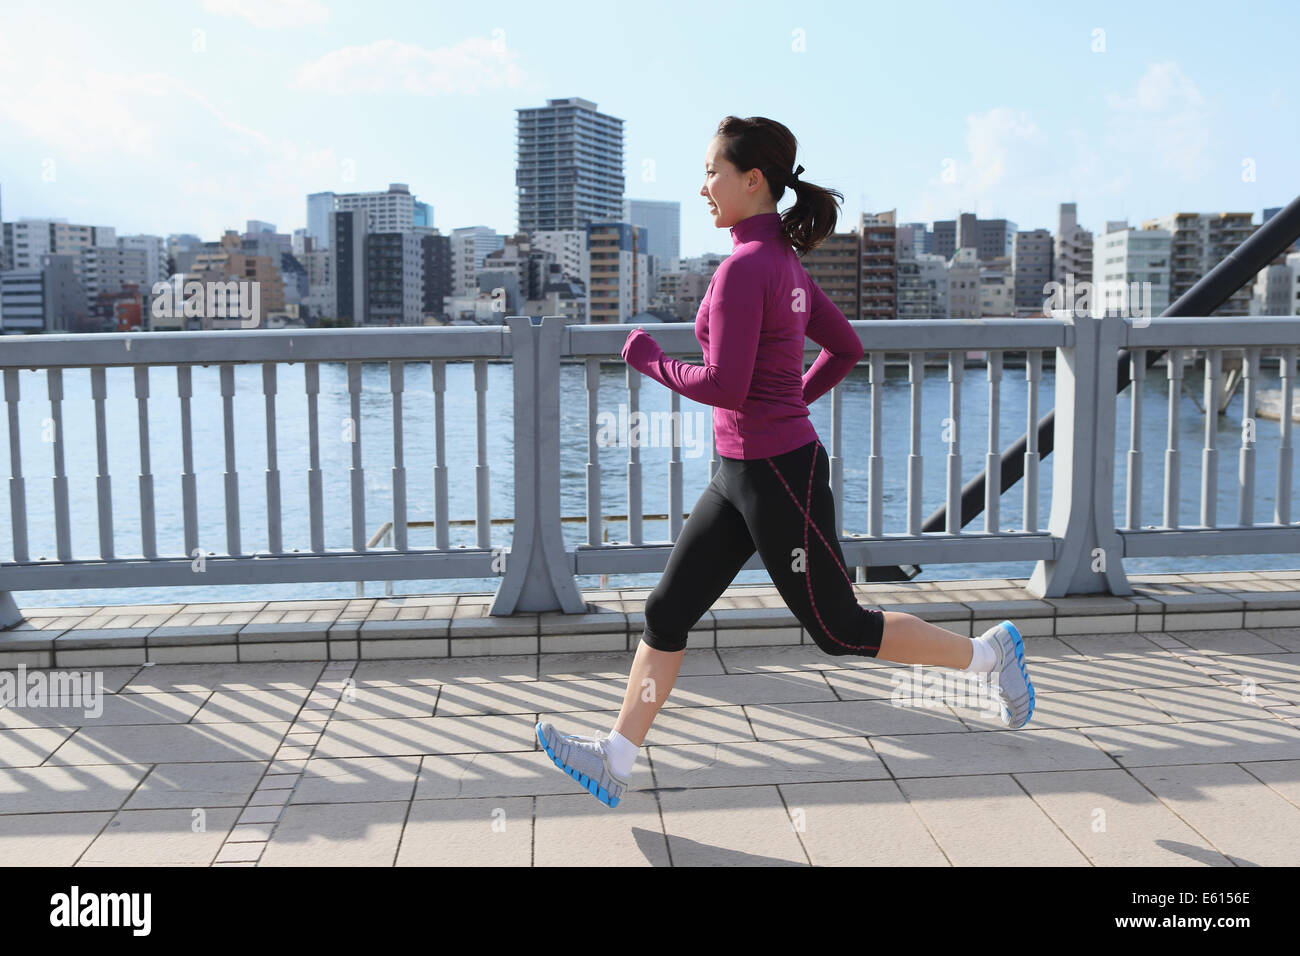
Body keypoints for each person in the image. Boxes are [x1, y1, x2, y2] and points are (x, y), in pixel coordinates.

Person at [536, 116, 1034, 808]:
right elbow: (845, 349)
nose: (703, 184)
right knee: (667, 608)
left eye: (712, 171)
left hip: (779, 478)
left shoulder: (748, 268)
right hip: (739, 473)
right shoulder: (780, 264)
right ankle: (615, 758)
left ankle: (988, 656)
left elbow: (725, 386)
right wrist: (787, 399)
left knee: (841, 630)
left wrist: (649, 359)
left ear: (753, 180)